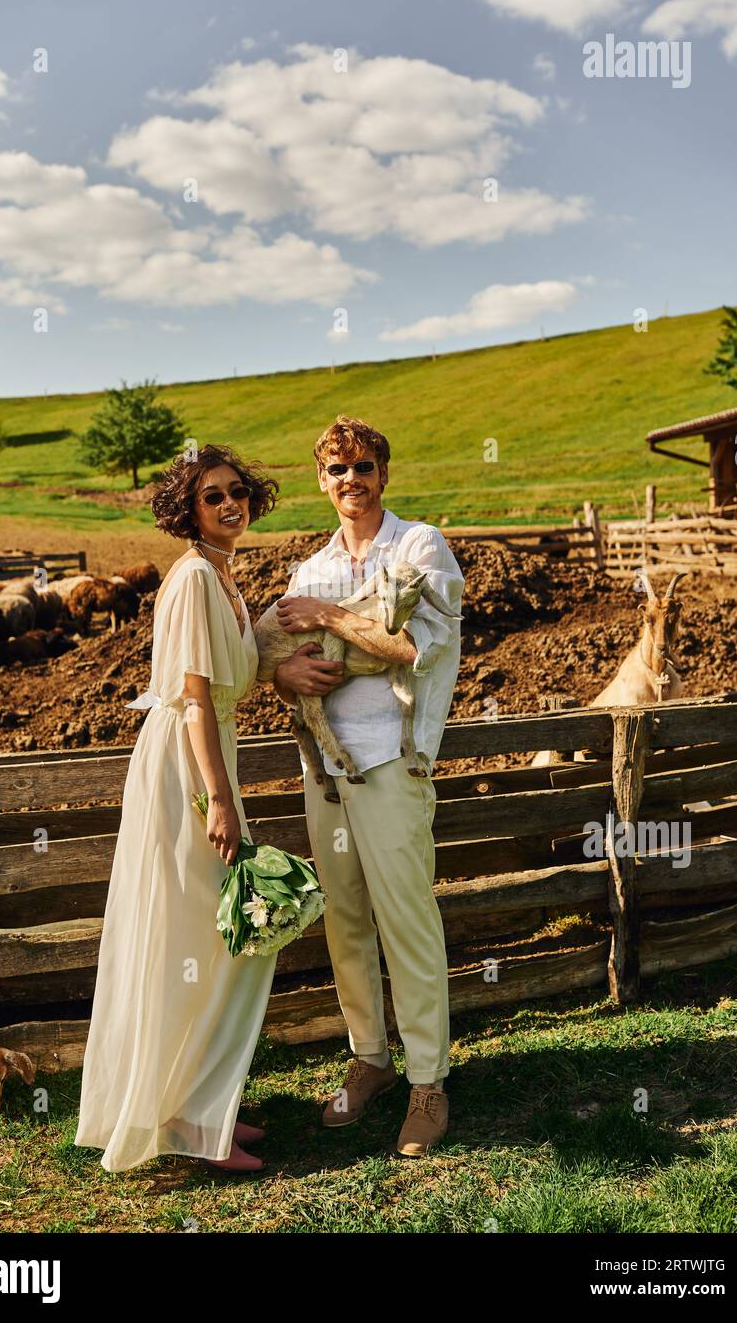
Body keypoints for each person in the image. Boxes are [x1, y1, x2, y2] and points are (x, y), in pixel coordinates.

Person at [74, 445, 279, 1173]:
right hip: (186, 767)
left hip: (205, 752)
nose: (229, 504)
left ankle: (196, 1100)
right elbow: (195, 699)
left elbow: (234, 679)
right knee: (201, 936)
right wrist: (217, 801)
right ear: (187, 512)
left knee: (216, 935)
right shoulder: (194, 577)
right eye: (211, 497)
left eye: (236, 492)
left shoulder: (224, 574)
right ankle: (184, 1121)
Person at [271, 415, 464, 1156]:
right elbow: (285, 656)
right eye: (336, 470)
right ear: (321, 481)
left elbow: (413, 647)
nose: (350, 480)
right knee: (345, 921)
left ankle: (428, 1083)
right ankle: (371, 1059)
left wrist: (327, 618)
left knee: (407, 920)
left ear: (383, 473)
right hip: (326, 768)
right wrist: (284, 672)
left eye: (363, 467)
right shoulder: (310, 566)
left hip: (391, 760)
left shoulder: (418, 546)